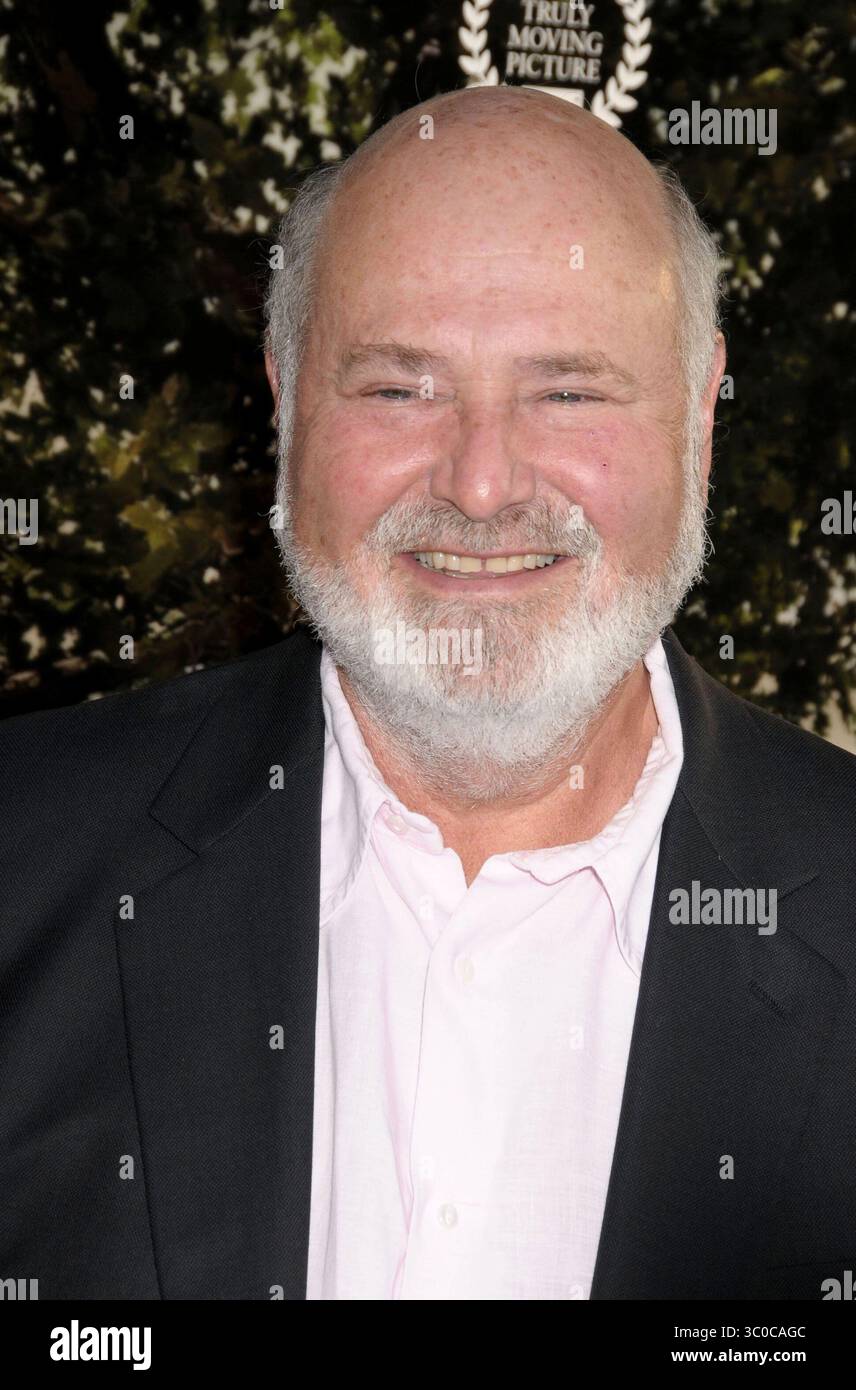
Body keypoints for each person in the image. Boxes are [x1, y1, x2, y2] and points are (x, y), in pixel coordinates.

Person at [1, 86, 854, 1302]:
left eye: (568, 391)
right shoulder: (24, 857)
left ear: (699, 421)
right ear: (288, 405)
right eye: (399, 388)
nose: (481, 482)